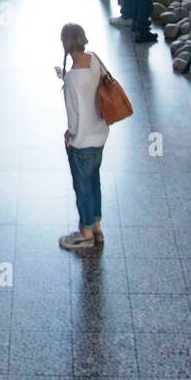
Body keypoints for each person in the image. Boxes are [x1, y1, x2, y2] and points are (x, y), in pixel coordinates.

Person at [56, 23, 108, 251]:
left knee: (82, 186)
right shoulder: (95, 60)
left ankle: (86, 233)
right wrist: (68, 78)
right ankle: (97, 226)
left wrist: (69, 135)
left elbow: (74, 121)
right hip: (100, 136)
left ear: (65, 45)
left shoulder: (71, 81)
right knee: (95, 182)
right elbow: (99, 82)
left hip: (82, 144)